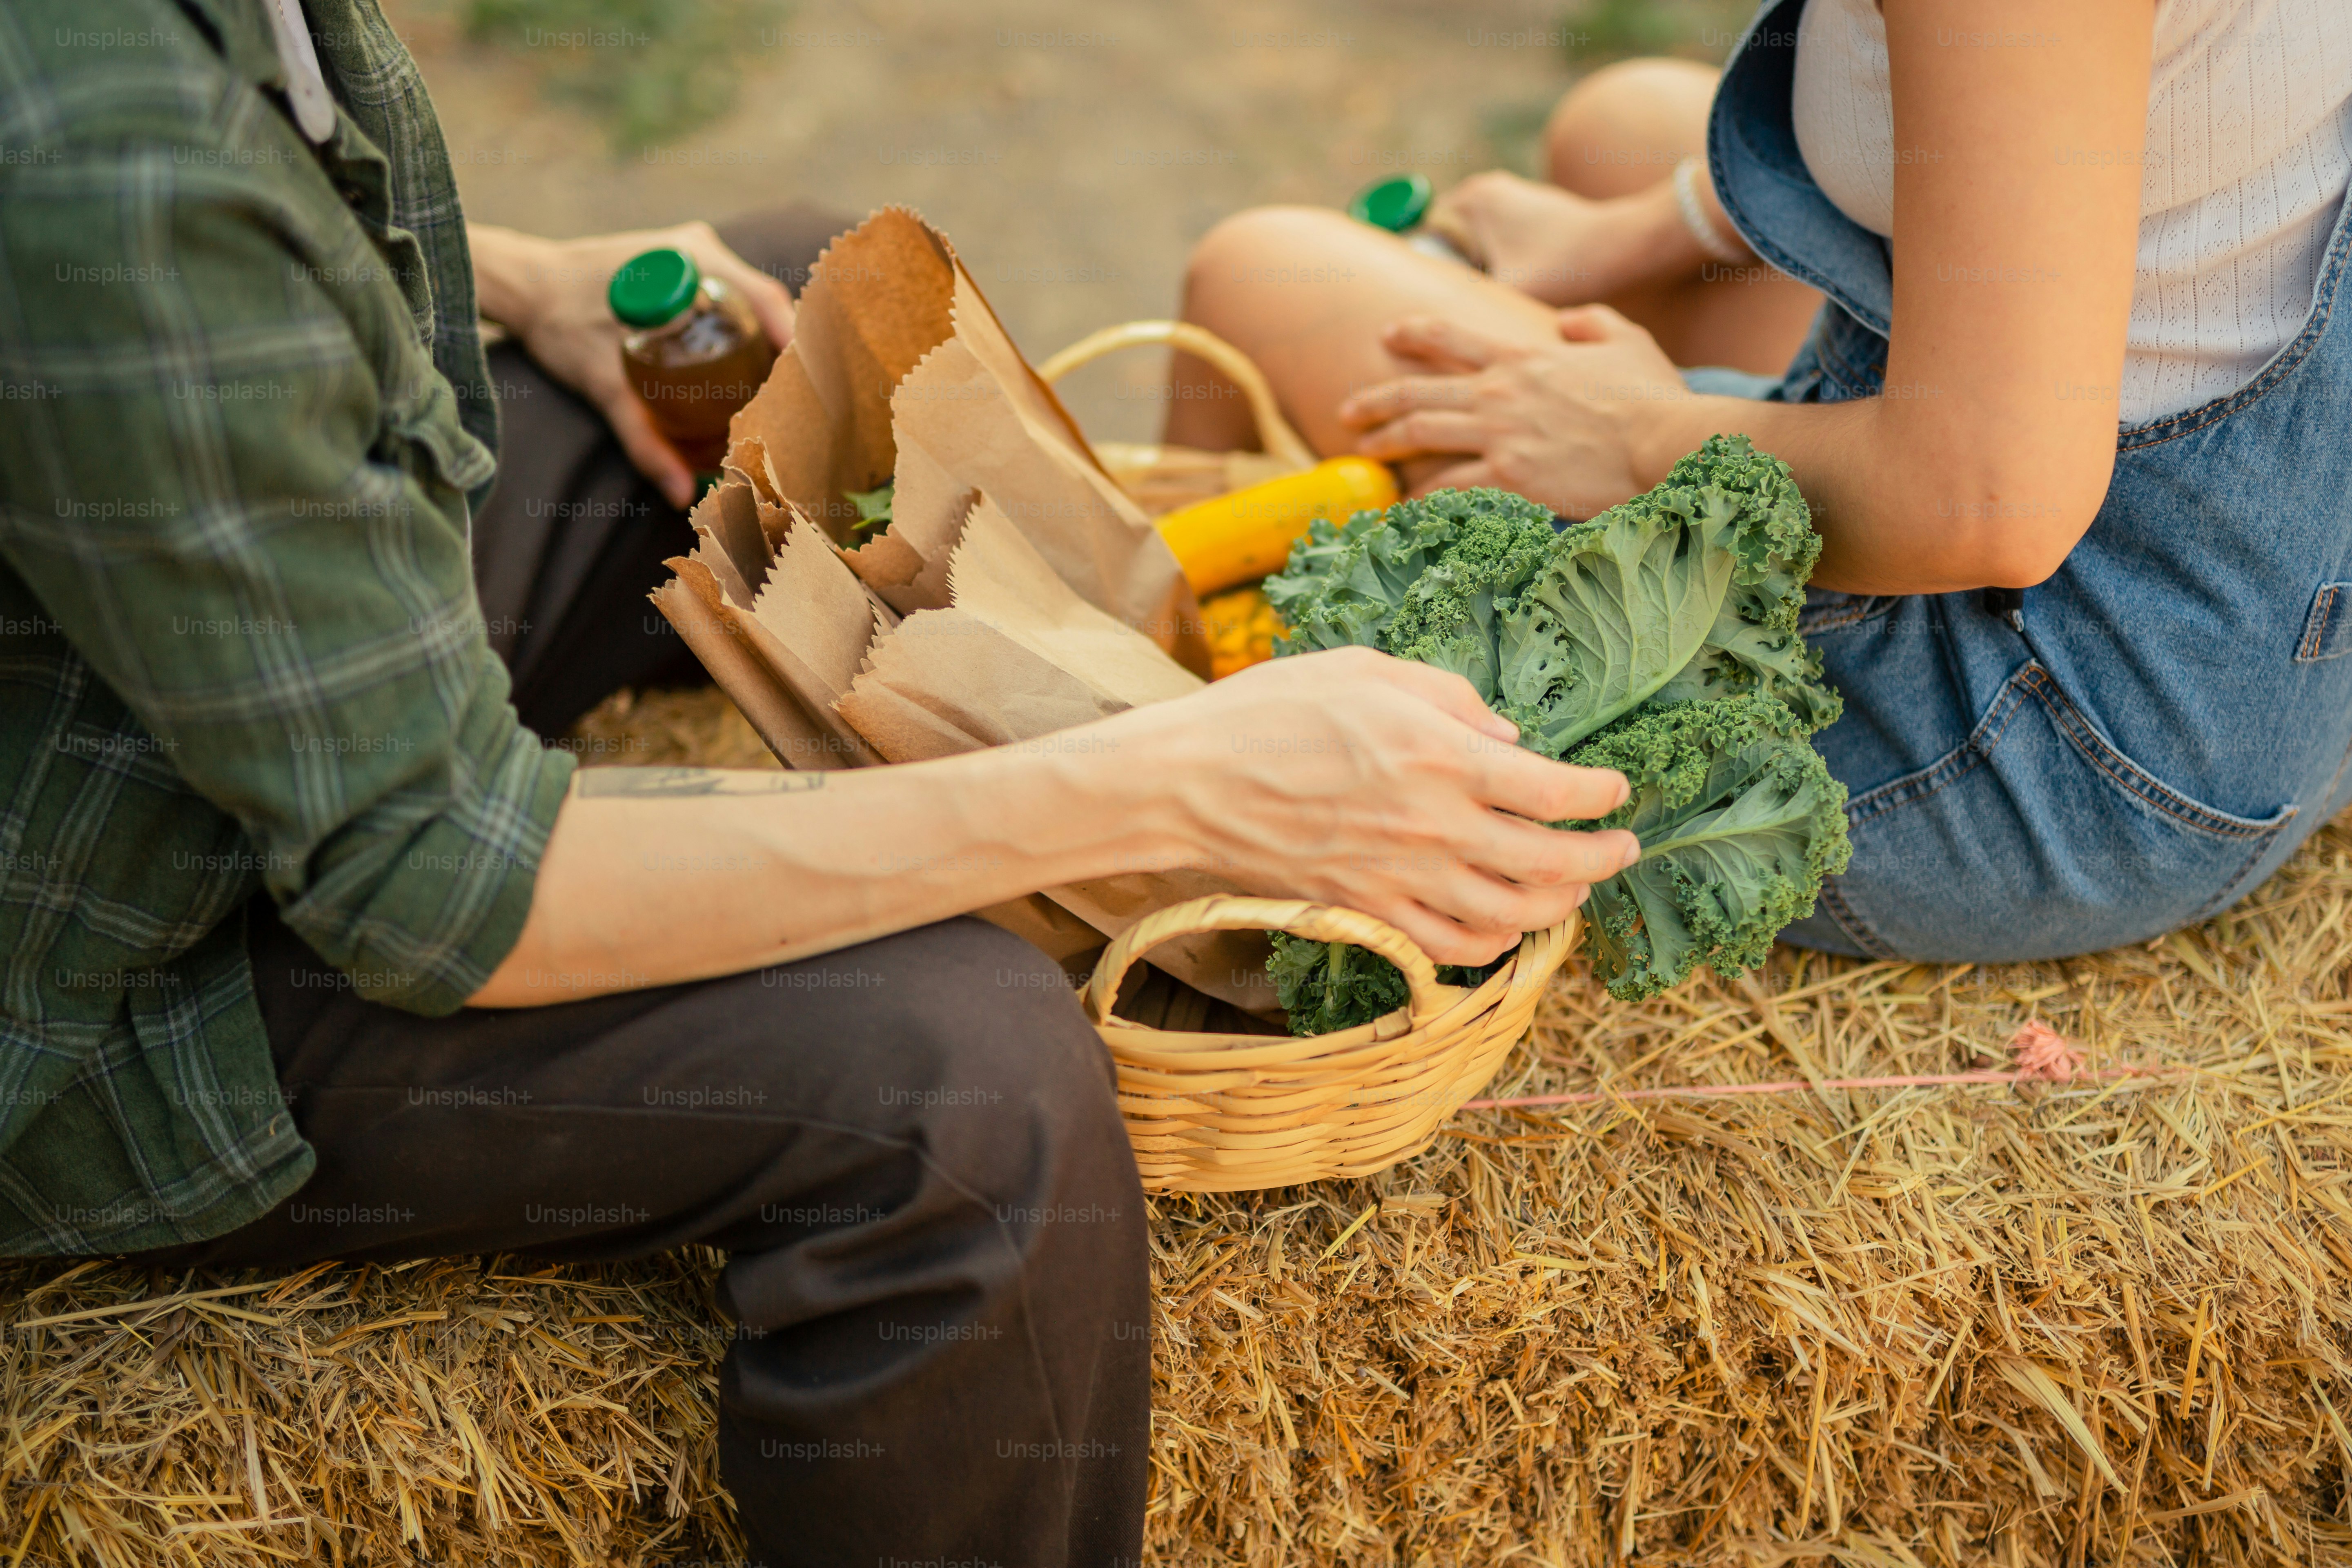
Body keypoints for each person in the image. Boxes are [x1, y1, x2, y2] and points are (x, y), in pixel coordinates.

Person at [0, 0, 1639, 1562]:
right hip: (94, 967)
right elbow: (437, 879)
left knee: (786, 323)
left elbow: (188, 291)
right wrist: (1166, 788)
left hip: (146, 651)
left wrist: (516, 277)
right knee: (968, 1077)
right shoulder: (111, 158)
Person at [1174, 0, 2352, 964]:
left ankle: (1165, 754)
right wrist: (1647, 227)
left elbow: (1986, 504)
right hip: (2276, 600)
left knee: (1262, 280)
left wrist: (1642, 432)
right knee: (1625, 122)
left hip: (2081, 715)